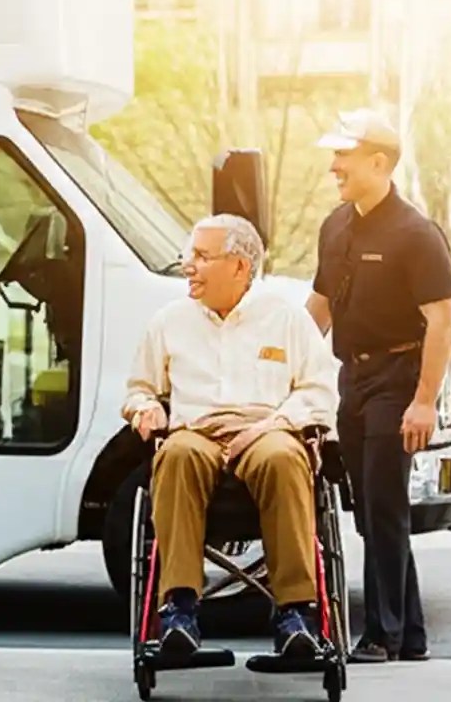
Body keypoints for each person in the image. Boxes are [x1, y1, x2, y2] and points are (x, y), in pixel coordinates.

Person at [123, 214, 339, 658]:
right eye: (189, 255)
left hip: (267, 430)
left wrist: (272, 425)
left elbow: (319, 390)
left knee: (282, 458)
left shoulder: (285, 319)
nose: (188, 266)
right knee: (177, 456)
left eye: (202, 257)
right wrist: (143, 407)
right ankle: (178, 611)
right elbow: (140, 388)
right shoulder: (169, 321)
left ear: (240, 266)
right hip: (196, 431)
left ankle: (296, 613)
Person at [307, 109, 451, 664]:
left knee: (385, 505)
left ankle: (379, 635)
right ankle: (409, 634)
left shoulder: (415, 234)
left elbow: (443, 320)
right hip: (354, 379)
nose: (333, 167)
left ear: (378, 161)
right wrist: (282, 364)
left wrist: (424, 402)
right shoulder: (335, 225)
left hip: (398, 380)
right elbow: (320, 307)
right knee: (373, 510)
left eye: (342, 157)